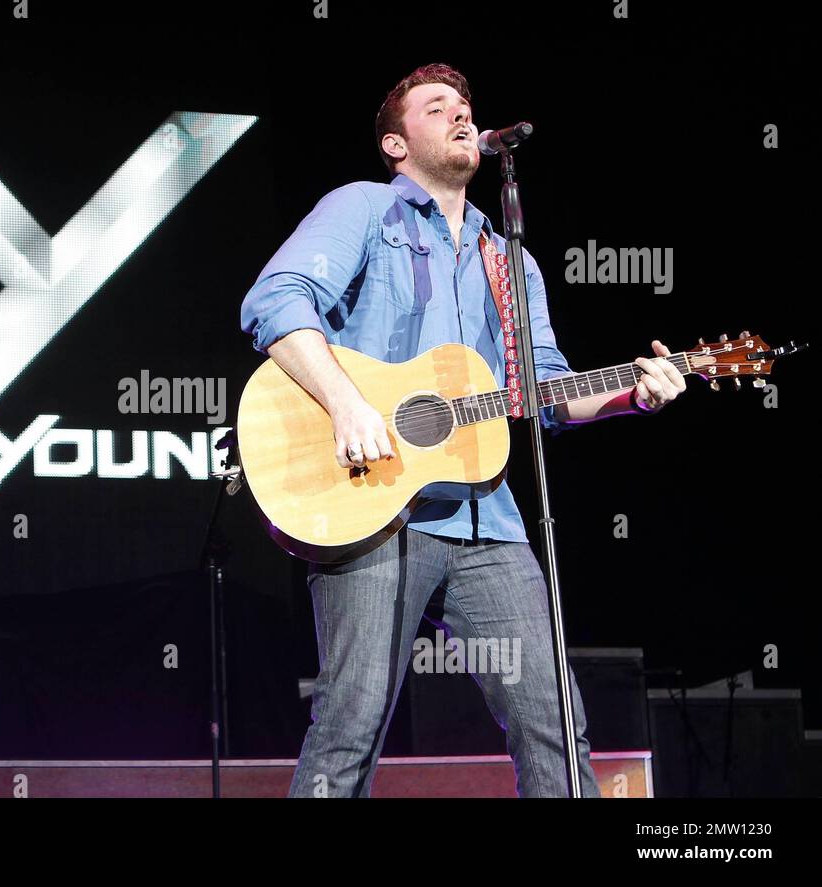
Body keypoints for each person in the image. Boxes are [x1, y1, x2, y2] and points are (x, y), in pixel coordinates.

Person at [239, 63, 686, 798]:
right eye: (436, 106)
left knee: (553, 721)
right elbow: (276, 300)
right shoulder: (363, 210)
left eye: (466, 106)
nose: (461, 115)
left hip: (489, 521)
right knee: (350, 724)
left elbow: (547, 392)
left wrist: (634, 396)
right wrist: (350, 405)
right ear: (394, 142)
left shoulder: (509, 259)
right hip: (374, 507)